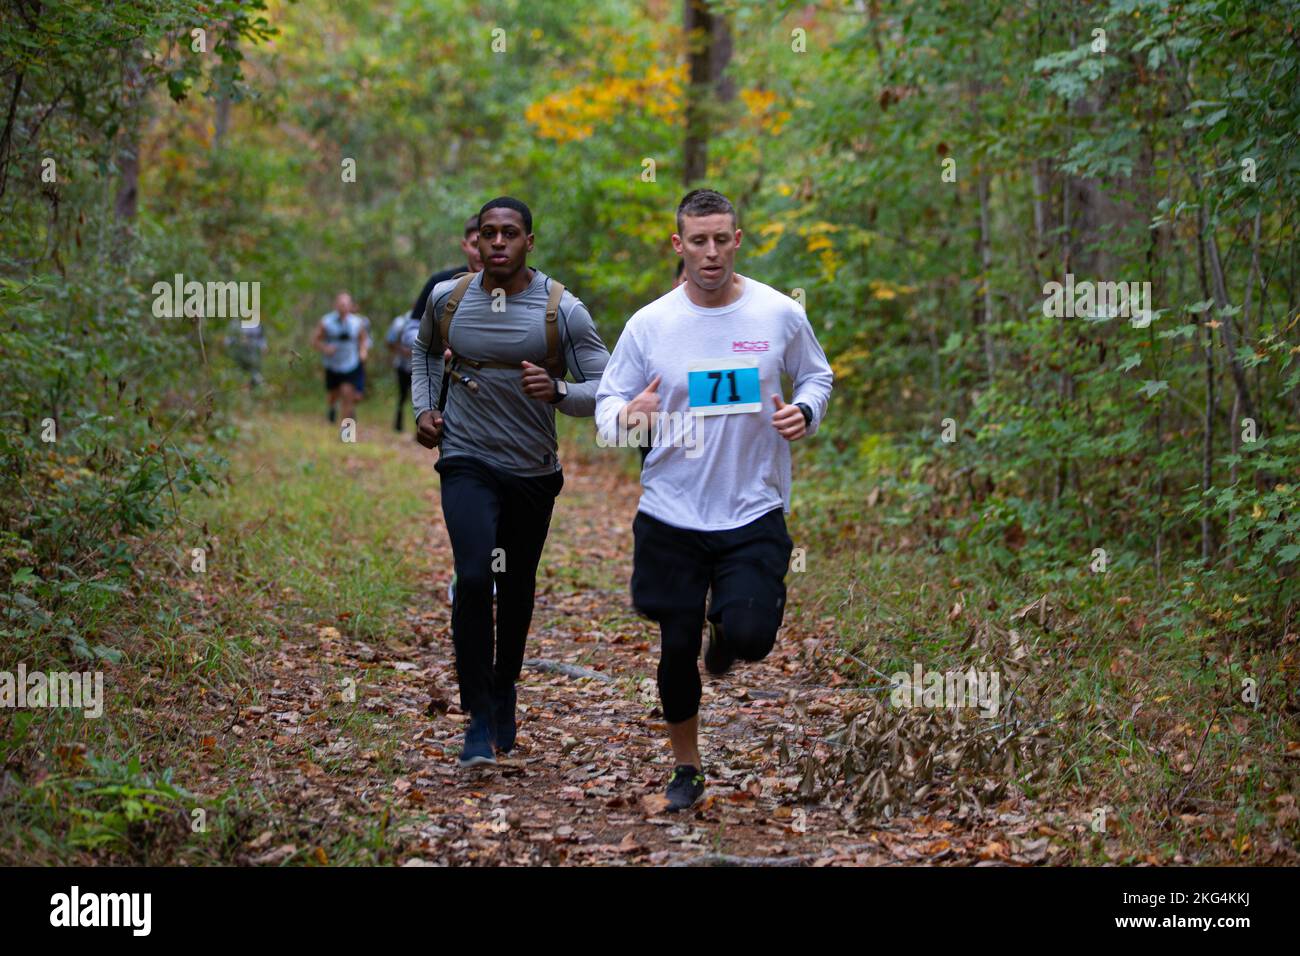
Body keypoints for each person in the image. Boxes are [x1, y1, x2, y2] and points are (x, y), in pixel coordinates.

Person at [595, 188, 834, 811]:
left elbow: (817, 375)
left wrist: (805, 411)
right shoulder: (650, 324)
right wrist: (628, 415)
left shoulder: (778, 314)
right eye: (696, 240)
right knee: (675, 641)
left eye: (720, 238)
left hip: (752, 506)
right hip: (672, 511)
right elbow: (604, 409)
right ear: (679, 245)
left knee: (753, 635)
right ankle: (687, 768)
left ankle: (726, 635)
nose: (709, 252)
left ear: (737, 240)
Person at [411, 197, 612, 768]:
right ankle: (476, 716)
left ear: (529, 242)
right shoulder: (447, 300)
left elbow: (607, 384)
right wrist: (426, 409)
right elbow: (425, 352)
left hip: (531, 469)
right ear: (476, 242)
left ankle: (504, 691)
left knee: (516, 586)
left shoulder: (560, 310)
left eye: (511, 234)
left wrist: (562, 394)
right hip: (467, 459)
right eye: (489, 234)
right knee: (475, 576)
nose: (498, 243)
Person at [312, 291, 370, 429]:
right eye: (341, 304)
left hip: (351, 364)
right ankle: (332, 407)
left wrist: (363, 352)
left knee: (347, 395)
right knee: (333, 395)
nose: (343, 307)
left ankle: (347, 434)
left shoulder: (357, 322)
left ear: (350, 306)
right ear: (335, 305)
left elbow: (363, 340)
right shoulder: (326, 321)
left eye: (346, 304)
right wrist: (325, 348)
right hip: (332, 365)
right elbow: (314, 341)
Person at [386, 312, 413, 431]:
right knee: (402, 395)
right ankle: (398, 425)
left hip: (420, 367)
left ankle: (419, 431)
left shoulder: (429, 318)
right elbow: (389, 342)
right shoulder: (401, 322)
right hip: (402, 365)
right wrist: (402, 350)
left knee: (419, 398)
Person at [224, 318, 267, 388]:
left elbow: (261, 338)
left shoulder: (256, 323)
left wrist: (264, 347)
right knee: (239, 372)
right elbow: (227, 341)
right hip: (238, 355)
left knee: (254, 371)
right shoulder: (235, 323)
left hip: (252, 354)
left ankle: (256, 387)